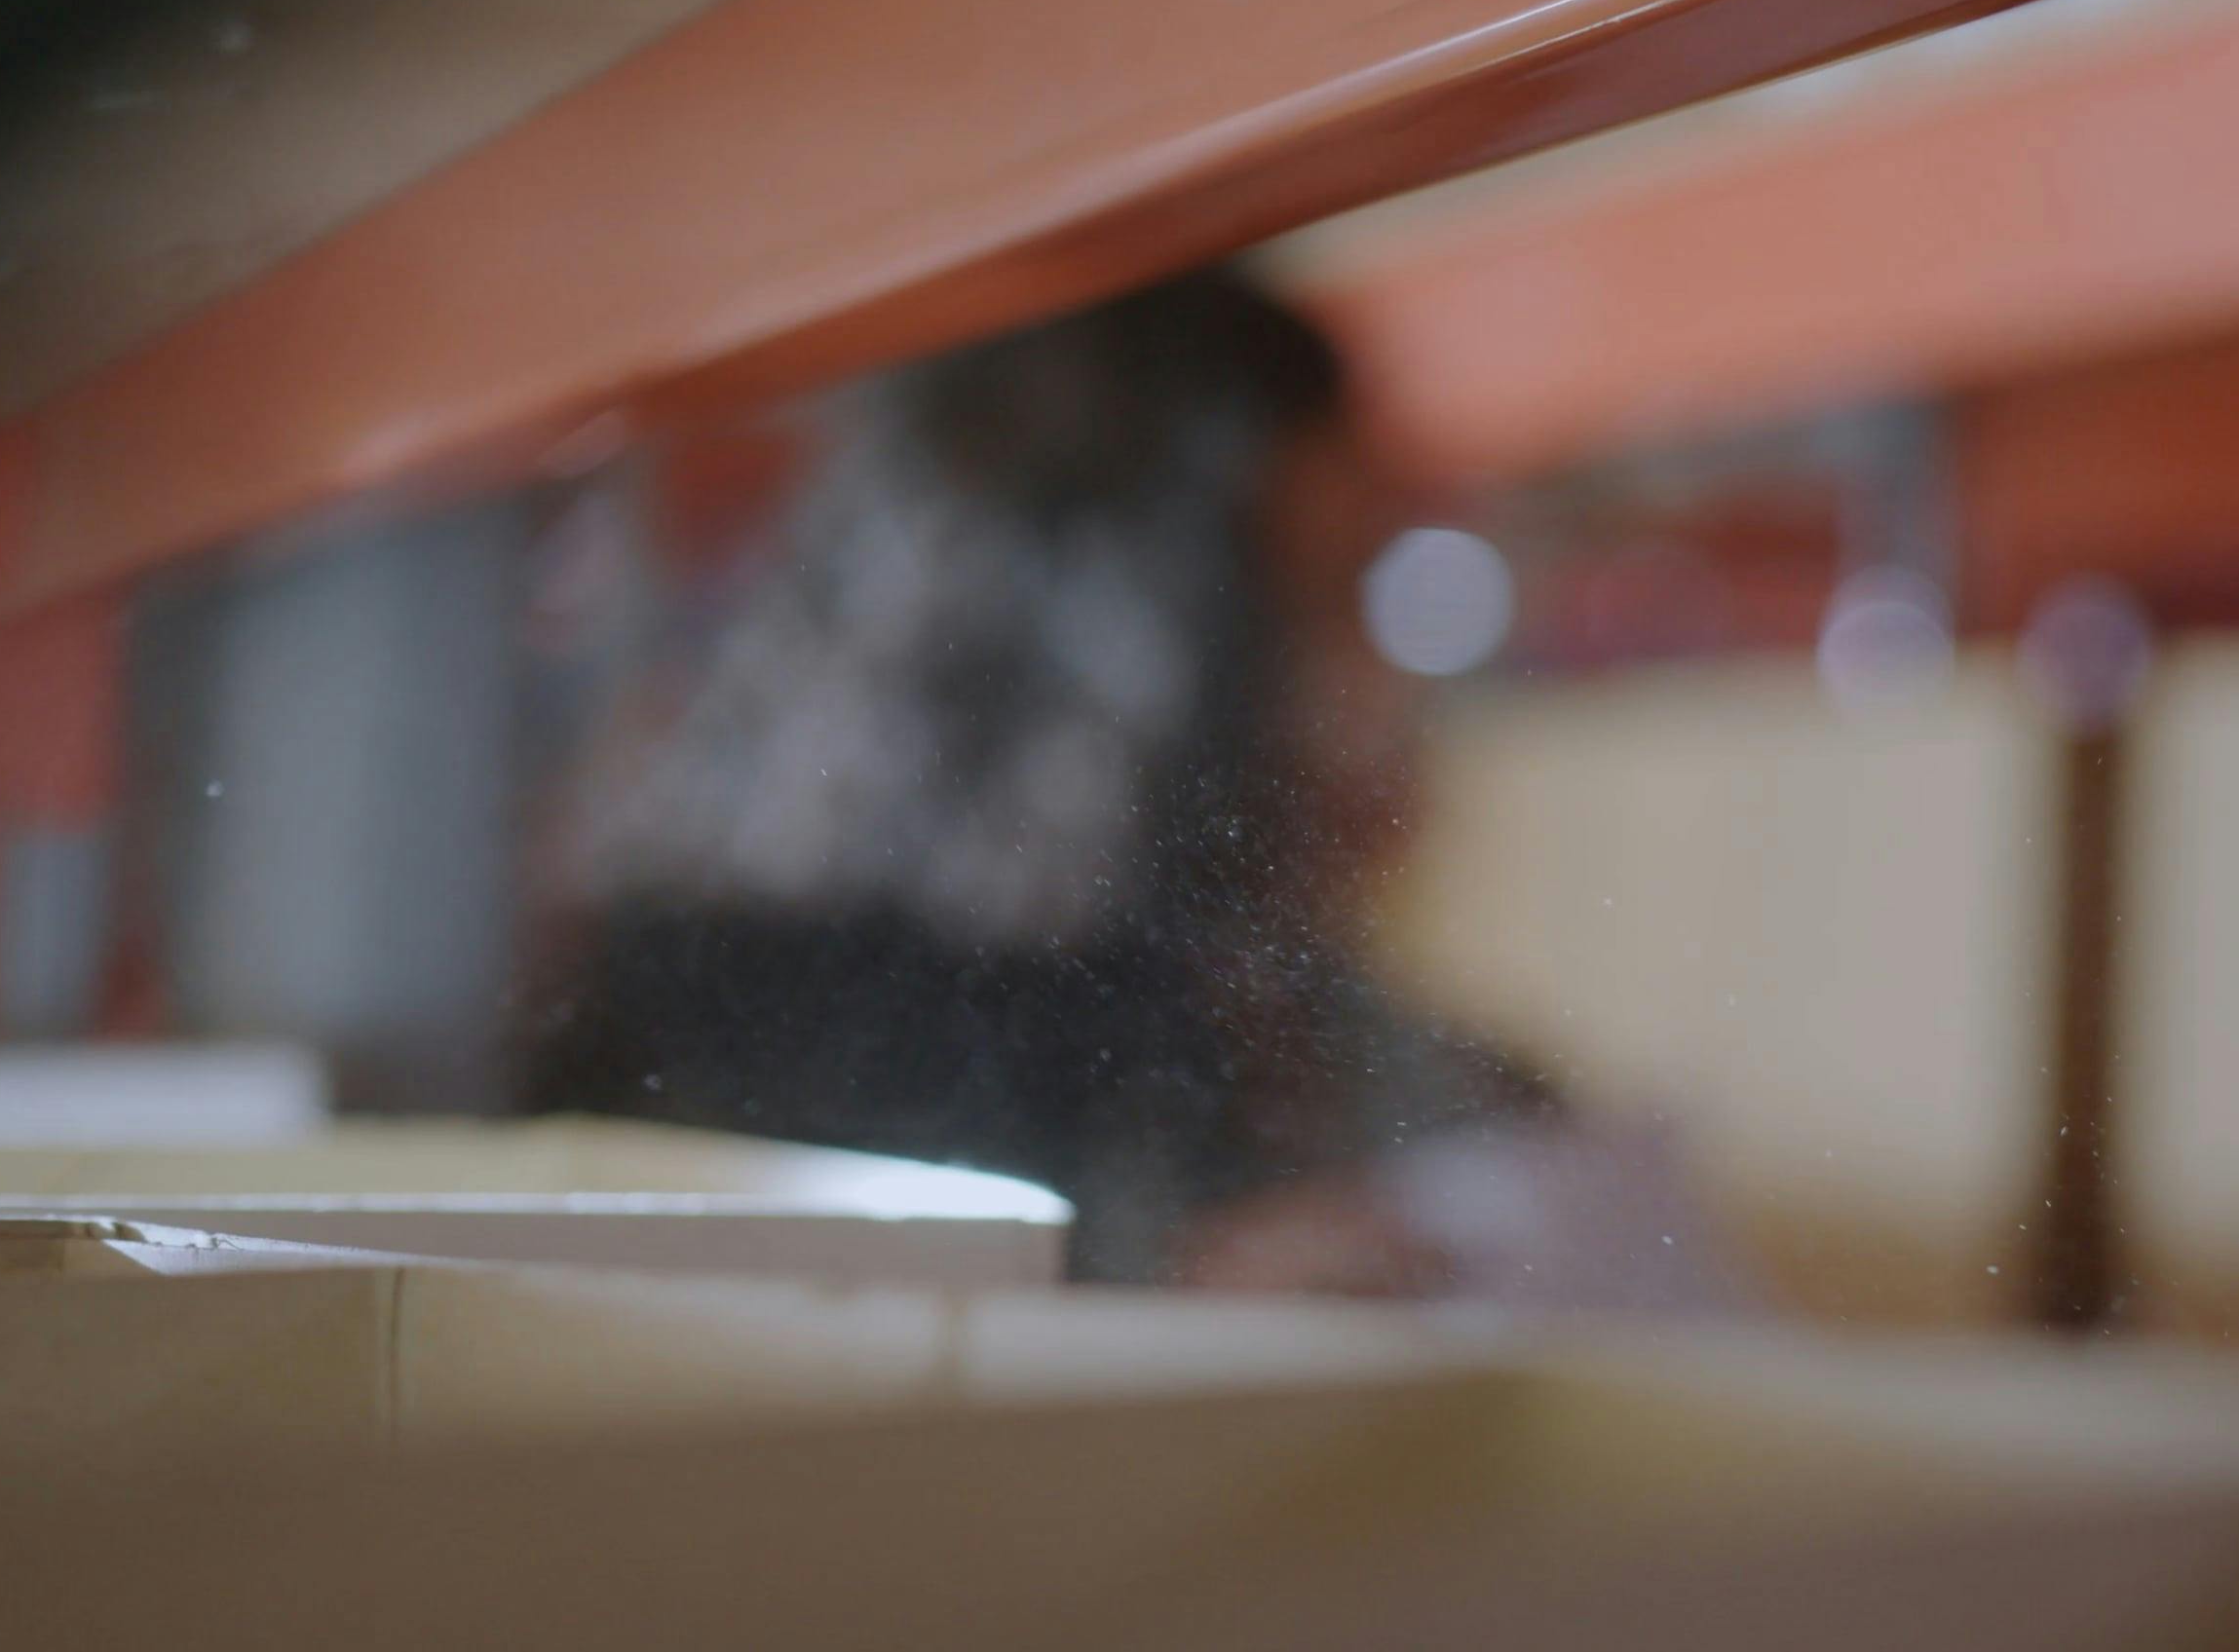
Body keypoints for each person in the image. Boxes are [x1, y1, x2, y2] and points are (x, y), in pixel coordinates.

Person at [516, 273, 1543, 1283]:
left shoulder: (1070, 917)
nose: (1365, 693)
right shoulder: (857, 955)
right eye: (1322, 612)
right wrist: (1174, 1276)